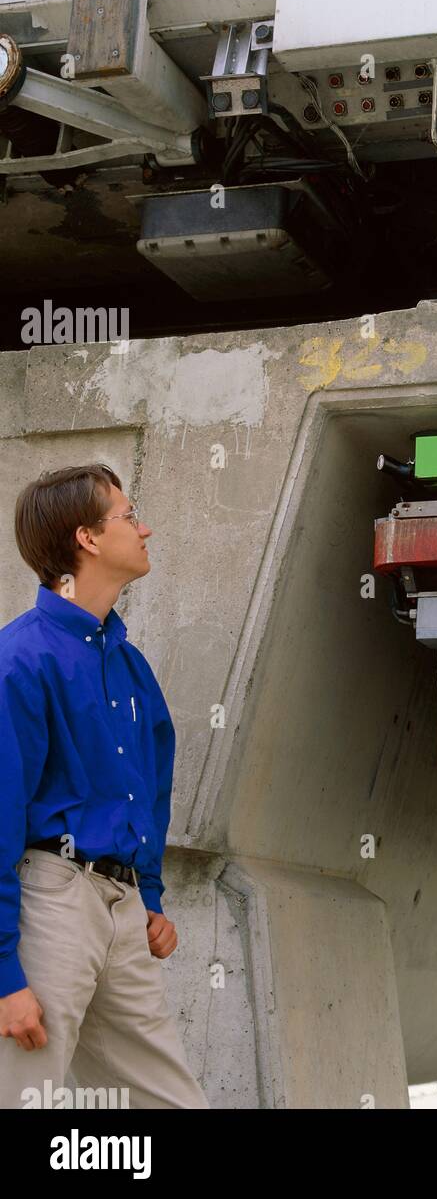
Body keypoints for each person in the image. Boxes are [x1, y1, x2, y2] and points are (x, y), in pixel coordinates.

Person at [0, 463, 208, 1109]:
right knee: (23, 1097)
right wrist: (6, 974)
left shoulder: (128, 664)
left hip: (122, 912)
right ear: (87, 539)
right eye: (126, 516)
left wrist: (149, 892)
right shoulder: (21, 659)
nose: (143, 528)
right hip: (51, 903)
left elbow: (149, 782)